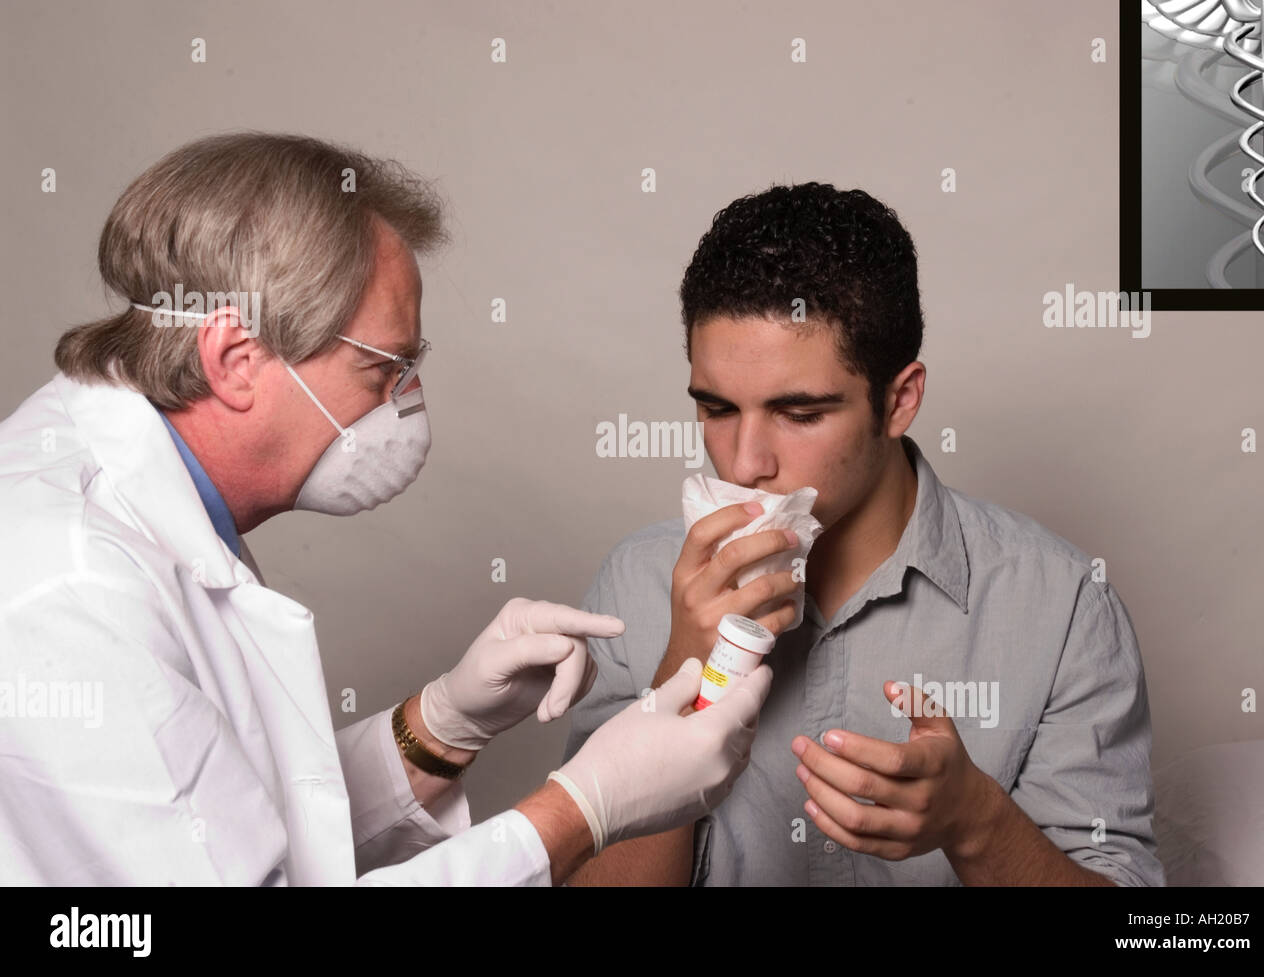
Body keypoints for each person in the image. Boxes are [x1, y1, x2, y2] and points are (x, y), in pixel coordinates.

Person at [0, 132, 771, 885]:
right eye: (382, 369)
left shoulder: (149, 501)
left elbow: (245, 824)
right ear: (236, 363)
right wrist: (579, 811)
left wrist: (440, 724)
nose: (407, 406)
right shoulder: (71, 586)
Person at [563, 182, 1165, 886]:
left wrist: (977, 822)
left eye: (800, 412)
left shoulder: (1062, 605)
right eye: (718, 408)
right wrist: (684, 677)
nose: (745, 461)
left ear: (899, 400)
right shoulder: (636, 586)